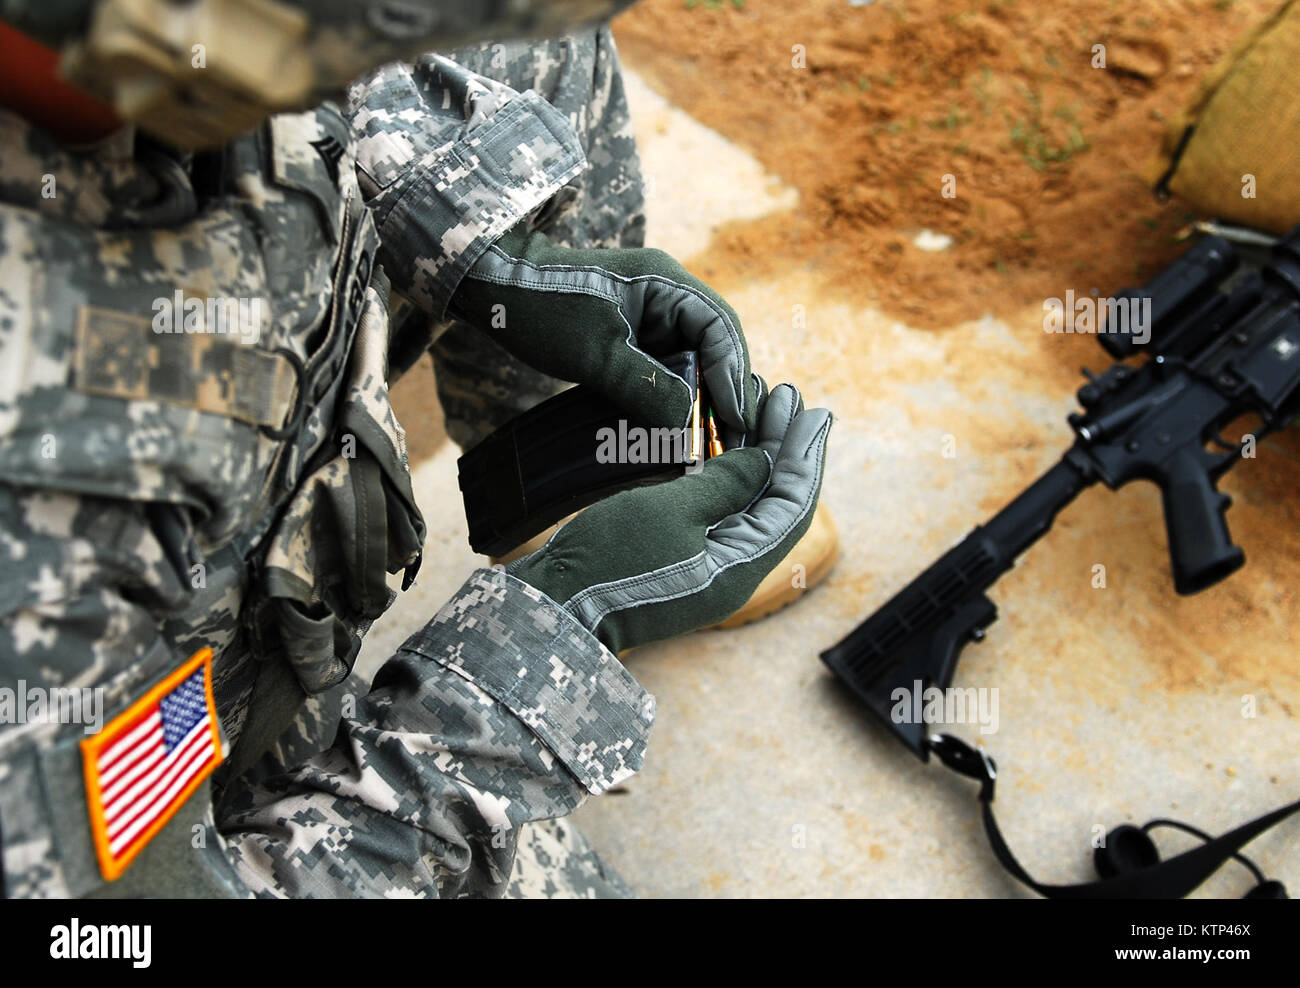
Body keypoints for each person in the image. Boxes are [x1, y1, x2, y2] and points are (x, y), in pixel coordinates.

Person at [0, 1, 831, 898]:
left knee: (529, 50)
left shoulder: (156, 49)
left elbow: (318, 77)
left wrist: (475, 240)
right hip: (209, 811)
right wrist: (549, 639)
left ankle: (568, 494)